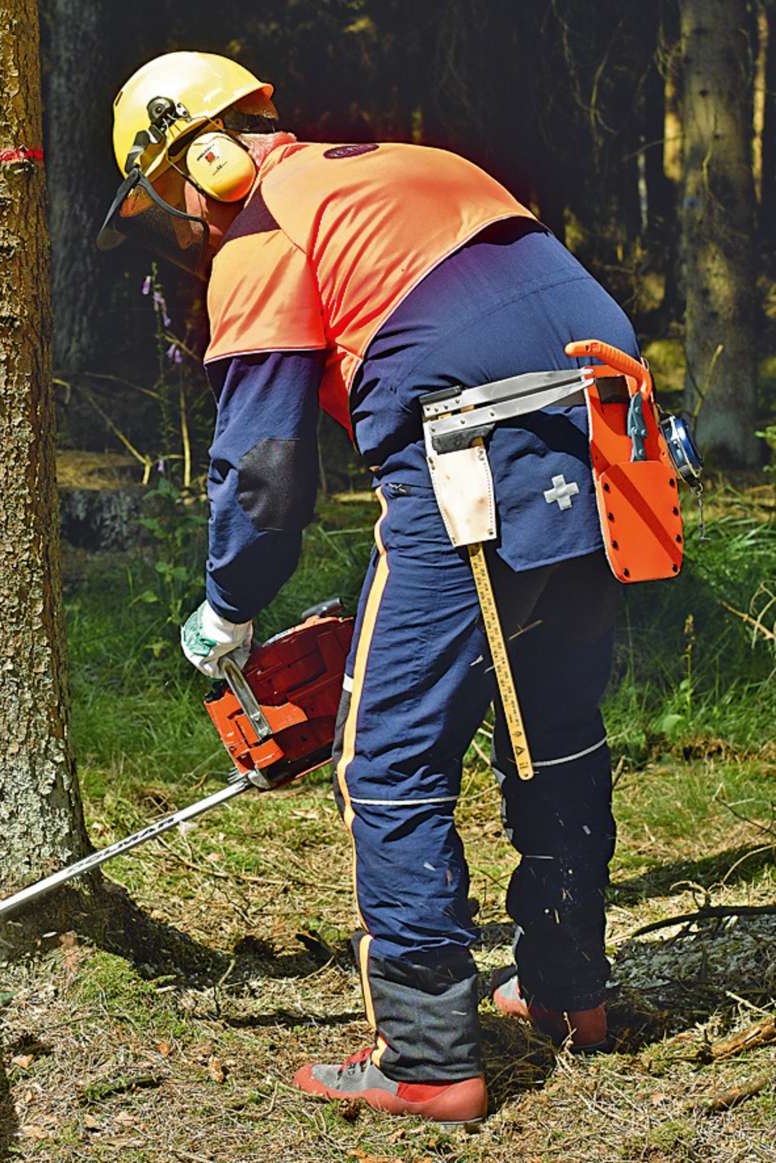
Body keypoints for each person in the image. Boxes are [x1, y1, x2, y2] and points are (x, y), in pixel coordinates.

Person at [98, 51, 638, 1127]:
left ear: (204, 154)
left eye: (170, 200)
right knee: (552, 727)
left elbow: (261, 474)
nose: (185, 227)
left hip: (476, 456)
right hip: (611, 443)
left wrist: (229, 603)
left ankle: (429, 1056)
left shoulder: (264, 233)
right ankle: (569, 990)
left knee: (385, 758)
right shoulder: (410, 166)